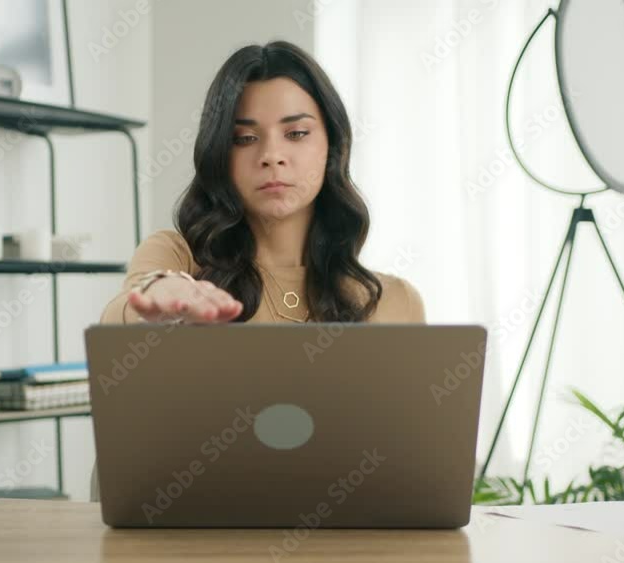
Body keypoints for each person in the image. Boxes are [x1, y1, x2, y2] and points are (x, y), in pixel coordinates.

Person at [91, 40, 425, 500]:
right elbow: (123, 314)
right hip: (192, 529)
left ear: (332, 145)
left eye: (297, 133)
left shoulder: (393, 302)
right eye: (245, 138)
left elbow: (404, 462)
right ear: (219, 157)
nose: (271, 155)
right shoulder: (175, 257)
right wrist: (160, 296)